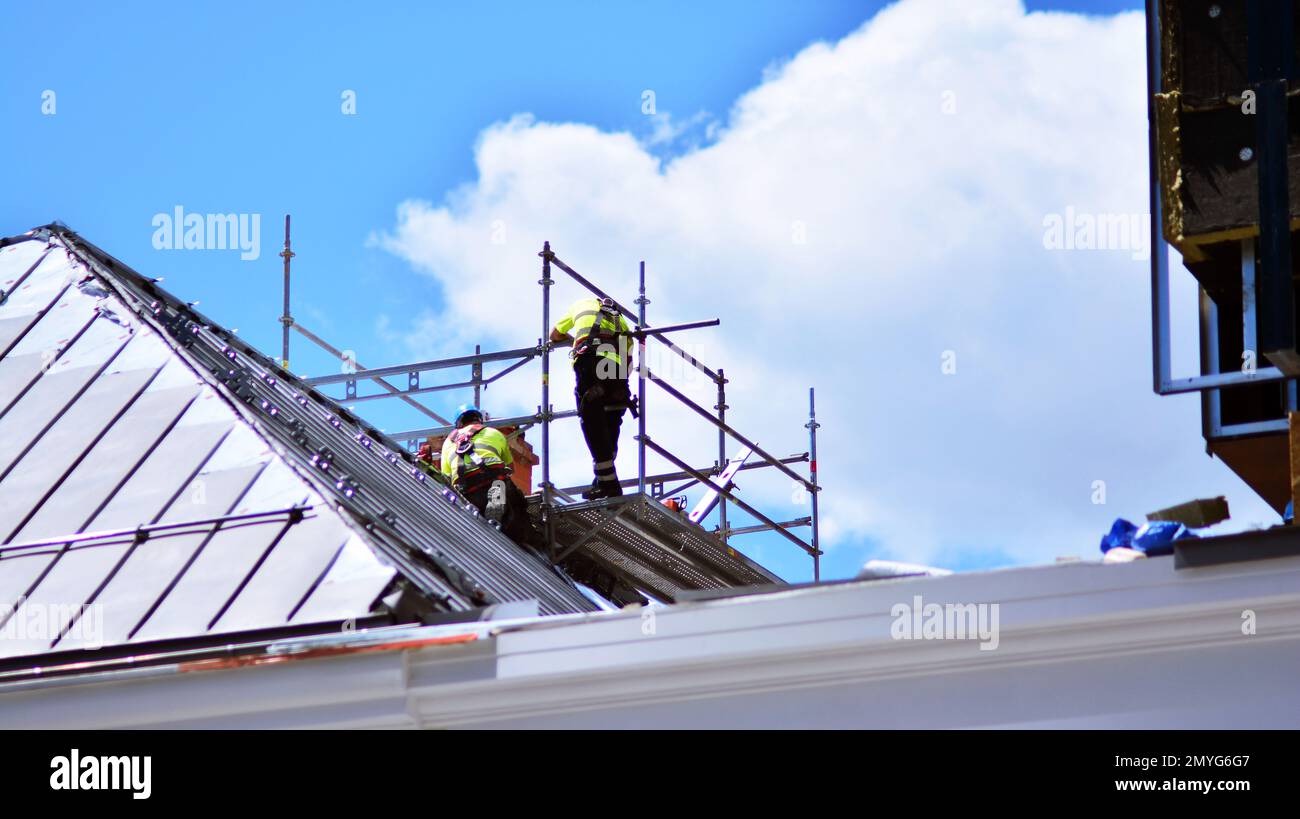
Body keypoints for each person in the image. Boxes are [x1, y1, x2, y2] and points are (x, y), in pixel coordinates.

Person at [421, 404, 543, 551]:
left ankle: (486, 515)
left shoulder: (448, 443)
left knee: (476, 512)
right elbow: (511, 468)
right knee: (518, 504)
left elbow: (446, 475)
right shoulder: (494, 433)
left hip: (466, 490)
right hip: (494, 481)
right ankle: (528, 538)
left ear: (459, 423)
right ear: (479, 419)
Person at [550, 296, 633, 499]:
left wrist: (577, 341)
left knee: (591, 416)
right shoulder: (621, 321)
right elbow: (628, 357)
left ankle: (608, 483)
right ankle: (603, 479)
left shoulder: (580, 304)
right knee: (611, 421)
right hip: (616, 372)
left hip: (591, 360)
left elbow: (554, 335)